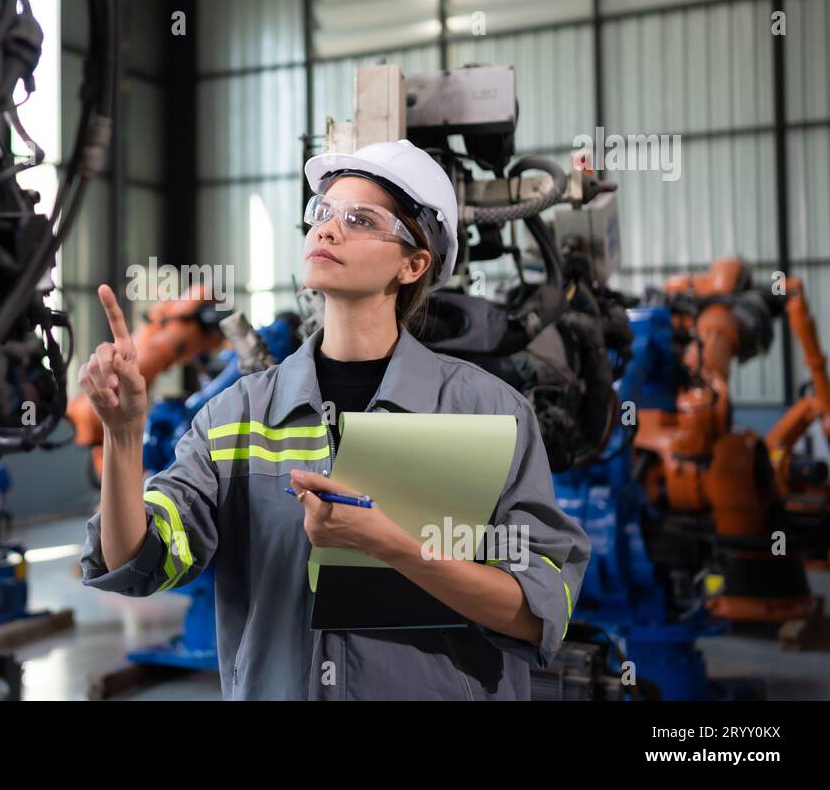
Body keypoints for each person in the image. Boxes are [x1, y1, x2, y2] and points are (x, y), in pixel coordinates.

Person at [78, 140, 591, 700]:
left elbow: (539, 610)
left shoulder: (487, 412)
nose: (326, 230)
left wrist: (396, 549)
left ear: (413, 264)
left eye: (359, 219)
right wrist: (124, 436)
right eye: (321, 213)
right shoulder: (237, 417)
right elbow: (138, 562)